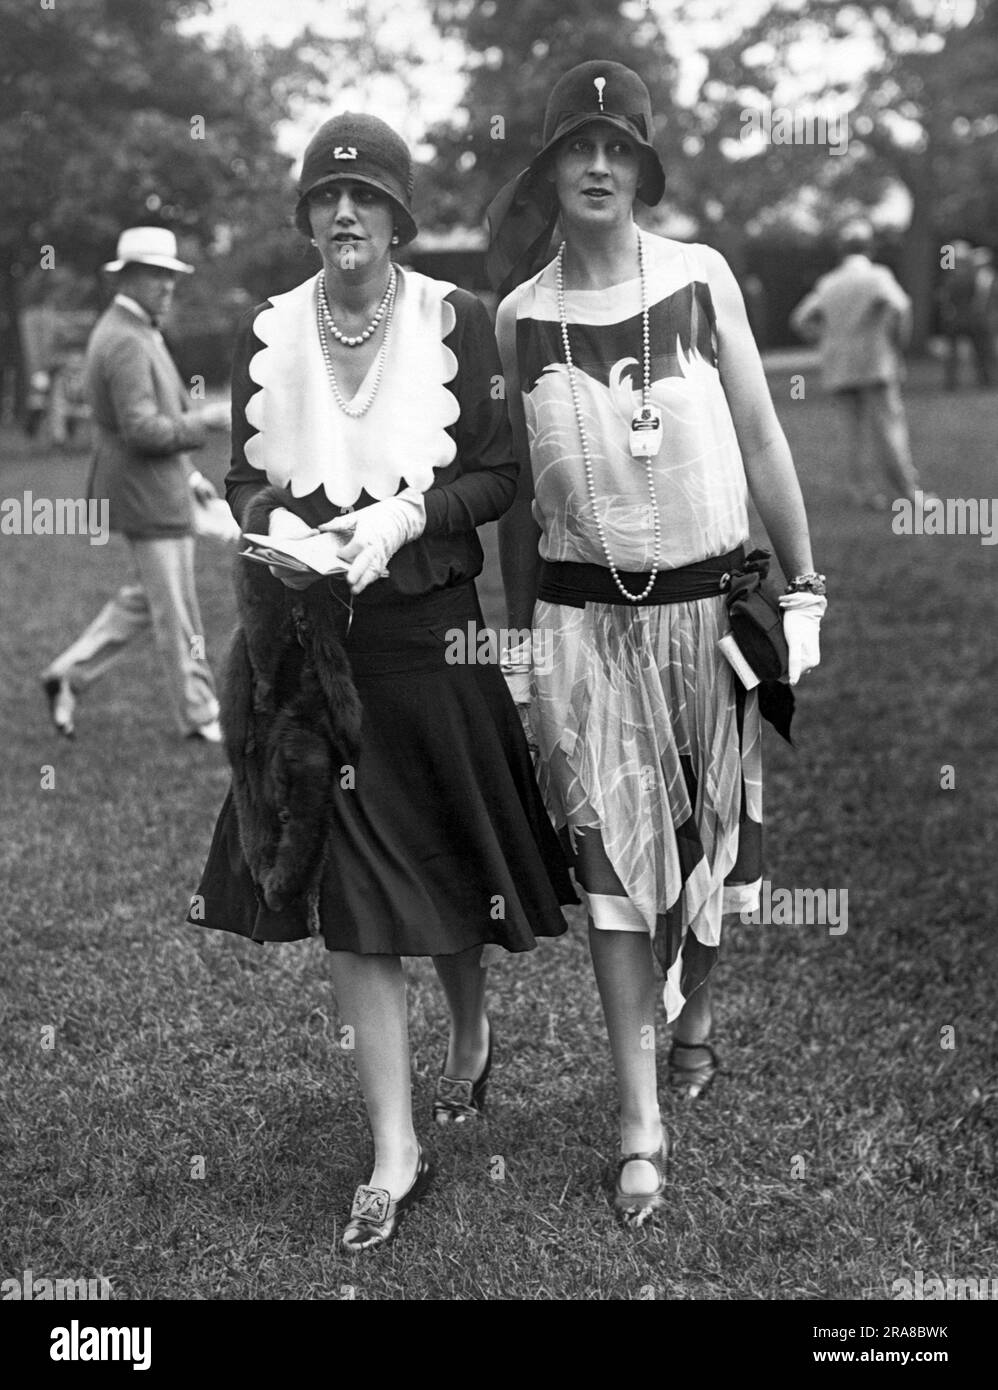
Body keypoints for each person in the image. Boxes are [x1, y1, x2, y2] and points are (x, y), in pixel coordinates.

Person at [188, 113, 574, 1253]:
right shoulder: (268, 335)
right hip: (317, 658)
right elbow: (236, 478)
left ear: (399, 217)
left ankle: (469, 1026)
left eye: (364, 200)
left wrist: (409, 510)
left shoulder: (453, 321)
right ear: (306, 216)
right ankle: (394, 1149)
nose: (343, 215)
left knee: (449, 873)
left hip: (431, 645)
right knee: (355, 907)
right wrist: (278, 536)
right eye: (324, 199)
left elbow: (503, 474)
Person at [490, 61, 825, 1228]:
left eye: (616, 148)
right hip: (582, 630)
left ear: (638, 167)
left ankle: (693, 1018)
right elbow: (524, 514)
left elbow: (761, 435)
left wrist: (805, 582)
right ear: (546, 172)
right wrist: (521, 651)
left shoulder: (696, 278)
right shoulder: (518, 317)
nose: (596, 165)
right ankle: (638, 1116)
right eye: (576, 147)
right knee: (611, 876)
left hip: (707, 618)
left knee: (719, 864)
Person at [40, 226, 228, 740]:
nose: (167, 286)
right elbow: (143, 430)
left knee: (149, 599)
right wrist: (207, 422)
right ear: (127, 278)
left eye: (170, 276)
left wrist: (189, 476)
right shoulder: (125, 338)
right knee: (177, 608)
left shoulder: (135, 328)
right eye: (155, 275)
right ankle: (200, 713)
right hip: (145, 494)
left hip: (157, 487)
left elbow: (152, 415)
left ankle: (67, 675)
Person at [790, 221, 922, 509]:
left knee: (851, 432)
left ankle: (861, 493)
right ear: (870, 247)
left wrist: (824, 338)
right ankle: (908, 491)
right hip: (875, 361)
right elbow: (901, 307)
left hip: (838, 364)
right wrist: (898, 341)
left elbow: (800, 318)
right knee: (888, 427)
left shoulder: (828, 283)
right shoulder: (877, 276)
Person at [936, 241, 995, 390]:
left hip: (964, 318)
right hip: (965, 318)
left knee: (976, 352)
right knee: (973, 352)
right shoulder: (963, 274)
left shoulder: (956, 274)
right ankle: (982, 380)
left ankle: (978, 380)